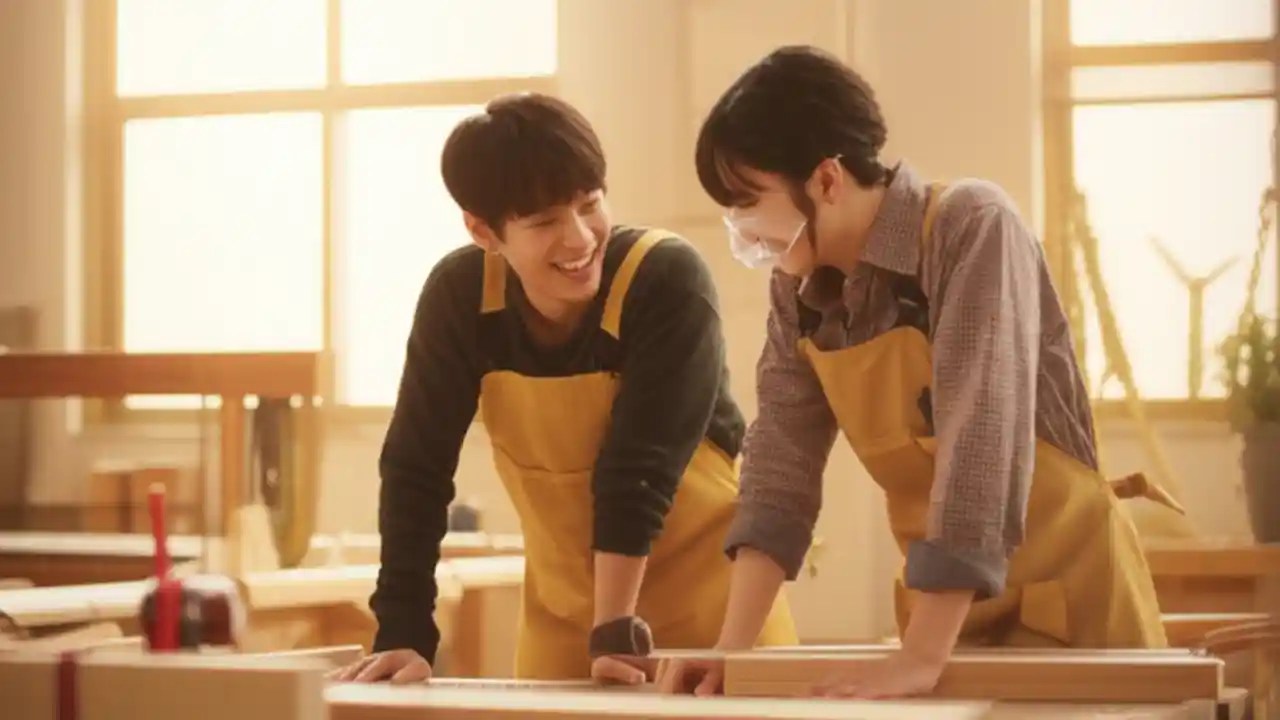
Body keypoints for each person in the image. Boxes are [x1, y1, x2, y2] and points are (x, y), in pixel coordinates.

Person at [655, 45, 1180, 699]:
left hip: (1069, 600)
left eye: (748, 201)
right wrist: (732, 653)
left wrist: (920, 657)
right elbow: (779, 470)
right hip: (942, 621)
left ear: (825, 180)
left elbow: (978, 444)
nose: (741, 227)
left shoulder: (969, 226)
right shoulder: (798, 287)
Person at [329, 92, 796, 685]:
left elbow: (637, 471)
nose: (578, 239)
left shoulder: (666, 280)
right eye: (545, 222)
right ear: (482, 230)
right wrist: (403, 633)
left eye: (589, 205)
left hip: (710, 616)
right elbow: (416, 469)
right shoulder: (460, 298)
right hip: (565, 627)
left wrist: (614, 631)